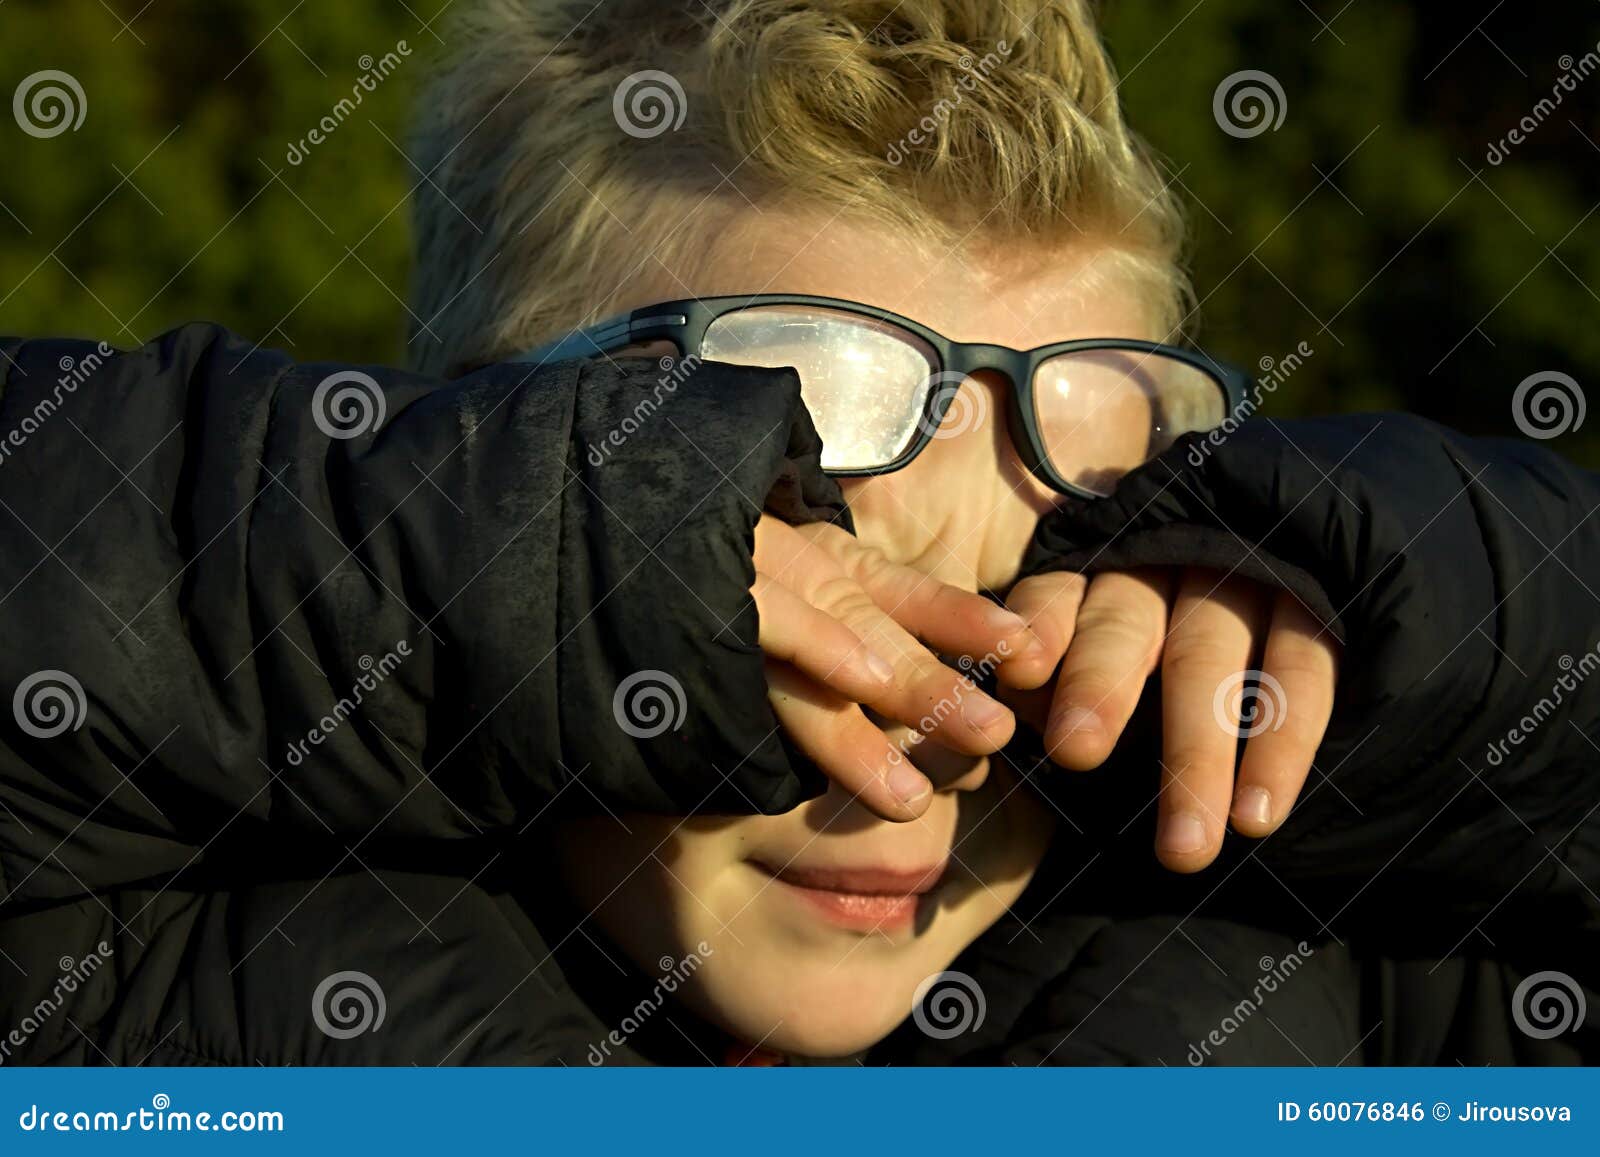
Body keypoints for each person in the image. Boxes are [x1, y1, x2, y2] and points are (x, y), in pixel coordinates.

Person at [0, 0, 1594, 1066]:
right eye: (783, 599)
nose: (933, 742)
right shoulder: (146, 970)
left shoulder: (1359, 983)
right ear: (491, 470)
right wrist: (517, 562)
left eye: (1042, 600)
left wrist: (1405, 645)